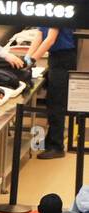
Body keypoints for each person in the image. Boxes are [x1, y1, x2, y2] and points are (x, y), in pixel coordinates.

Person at [30, 27, 76, 160]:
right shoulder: (46, 10)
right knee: (51, 100)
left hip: (64, 57)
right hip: (56, 57)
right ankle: (51, 141)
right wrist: (28, 57)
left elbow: (50, 39)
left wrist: (32, 60)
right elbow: (39, 35)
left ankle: (57, 146)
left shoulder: (57, 9)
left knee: (57, 101)